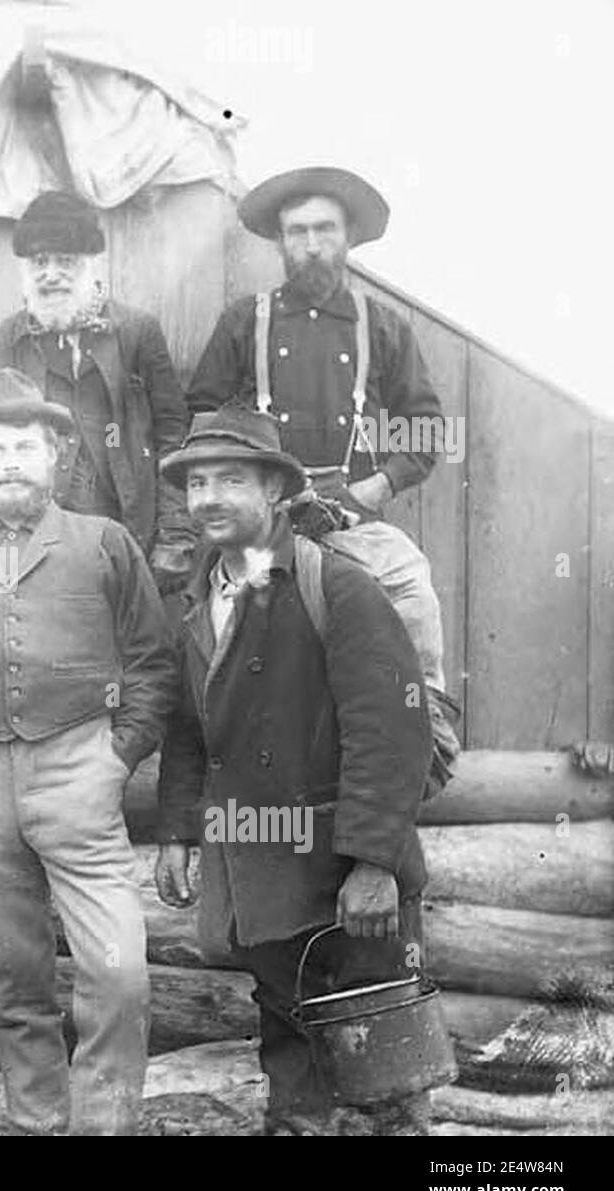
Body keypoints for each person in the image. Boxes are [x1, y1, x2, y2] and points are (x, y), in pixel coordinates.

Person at [153, 405, 436, 1136]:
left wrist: (373, 864)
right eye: (197, 482)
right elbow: (189, 727)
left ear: (277, 489)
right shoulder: (196, 597)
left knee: (386, 1088)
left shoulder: (334, 586)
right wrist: (179, 831)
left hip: (345, 884)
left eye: (231, 479)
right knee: (291, 1067)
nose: (209, 497)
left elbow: (391, 728)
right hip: (262, 878)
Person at [0, 368, 175, 1135]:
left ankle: (103, 1125)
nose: (12, 461)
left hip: (80, 767)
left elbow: (155, 665)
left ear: (58, 453)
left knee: (119, 970)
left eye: (27, 444)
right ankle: (37, 1122)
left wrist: (117, 755)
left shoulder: (103, 542)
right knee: (13, 972)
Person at [185, 166, 458, 768]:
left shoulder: (380, 325)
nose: (311, 244)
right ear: (280, 241)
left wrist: (378, 485)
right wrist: (243, 483)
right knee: (224, 613)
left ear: (349, 238)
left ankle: (426, 720)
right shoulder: (244, 321)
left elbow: (424, 425)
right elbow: (202, 415)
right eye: (297, 231)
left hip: (348, 514)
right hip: (263, 514)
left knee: (410, 580)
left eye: (324, 230)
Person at [0, 190, 195, 588]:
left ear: (92, 266)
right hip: (33, 539)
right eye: (40, 262)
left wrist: (175, 533)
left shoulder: (137, 333)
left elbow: (172, 436)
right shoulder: (4, 341)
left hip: (127, 532)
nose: (51, 274)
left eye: (66, 261)